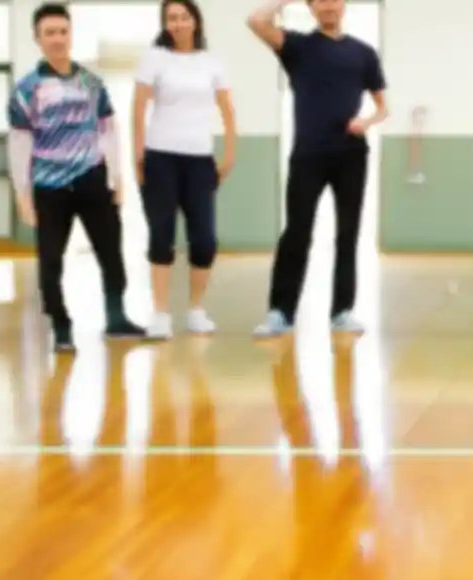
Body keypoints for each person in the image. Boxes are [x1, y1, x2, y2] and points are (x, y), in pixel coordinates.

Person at [8, 3, 146, 354]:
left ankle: (116, 317)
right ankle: (61, 324)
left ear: (71, 35)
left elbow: (108, 130)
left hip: (92, 180)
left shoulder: (91, 82)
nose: (57, 39)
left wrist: (117, 177)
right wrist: (22, 194)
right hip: (49, 187)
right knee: (50, 260)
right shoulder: (28, 89)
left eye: (62, 31)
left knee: (111, 254)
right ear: (37, 39)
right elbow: (20, 143)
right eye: (49, 33)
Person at [246, 0, 388, 338]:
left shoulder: (363, 53)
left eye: (333, 0)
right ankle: (281, 312)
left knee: (348, 232)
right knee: (297, 231)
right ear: (311, 7)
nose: (328, 6)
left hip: (351, 154)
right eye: (319, 0)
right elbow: (255, 20)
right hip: (308, 155)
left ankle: (342, 311)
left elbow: (383, 107)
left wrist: (365, 121)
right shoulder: (297, 47)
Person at [134, 0, 237, 340]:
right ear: (165, 24)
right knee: (161, 235)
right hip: (161, 157)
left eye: (183, 17)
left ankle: (195, 310)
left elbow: (227, 110)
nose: (177, 24)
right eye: (171, 18)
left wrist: (229, 154)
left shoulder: (212, 62)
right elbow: (138, 107)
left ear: (195, 21)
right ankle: (161, 312)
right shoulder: (155, 58)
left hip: (199, 160)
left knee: (204, 239)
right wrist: (138, 156)